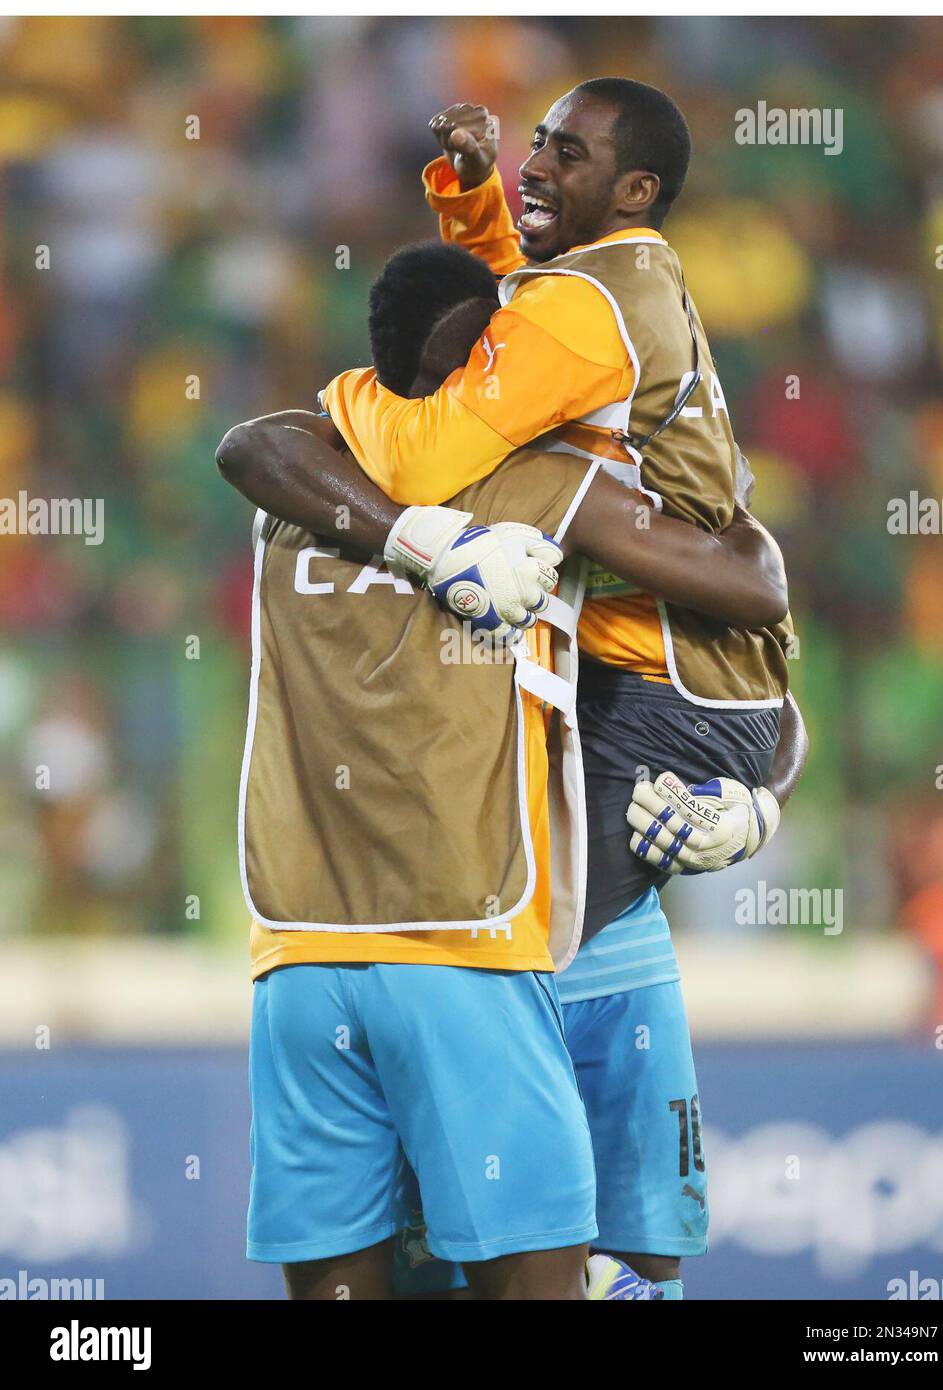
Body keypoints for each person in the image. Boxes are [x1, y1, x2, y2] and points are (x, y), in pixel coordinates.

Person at [218, 241, 792, 1301]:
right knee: (579, 1279)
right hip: (468, 944)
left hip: (294, 953)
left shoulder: (300, 473)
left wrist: (407, 537)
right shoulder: (538, 481)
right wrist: (759, 803)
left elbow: (243, 441)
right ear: (493, 357)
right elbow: (751, 588)